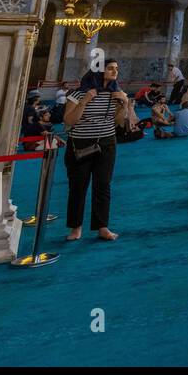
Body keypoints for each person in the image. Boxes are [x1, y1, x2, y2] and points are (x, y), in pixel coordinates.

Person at [62, 62, 128, 242]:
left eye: (116, 68)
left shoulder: (115, 94)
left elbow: (119, 122)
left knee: (103, 185)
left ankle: (102, 226)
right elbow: (69, 120)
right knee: (78, 186)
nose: (115, 71)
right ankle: (76, 227)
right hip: (81, 143)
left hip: (107, 143)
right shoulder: (78, 93)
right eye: (110, 68)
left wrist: (124, 104)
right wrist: (85, 101)